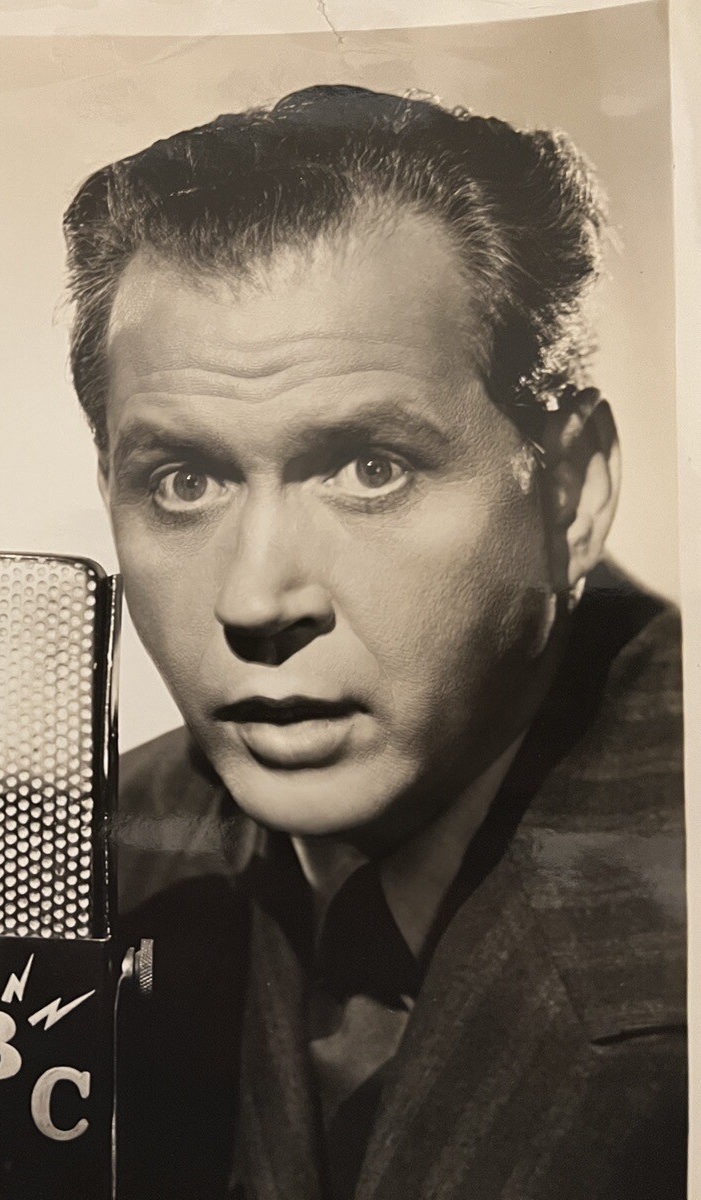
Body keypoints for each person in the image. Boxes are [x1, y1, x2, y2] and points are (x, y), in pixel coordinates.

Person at [62, 86, 686, 1199]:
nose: (258, 600)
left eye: (368, 468)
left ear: (572, 492)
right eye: (184, 481)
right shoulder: (80, 887)